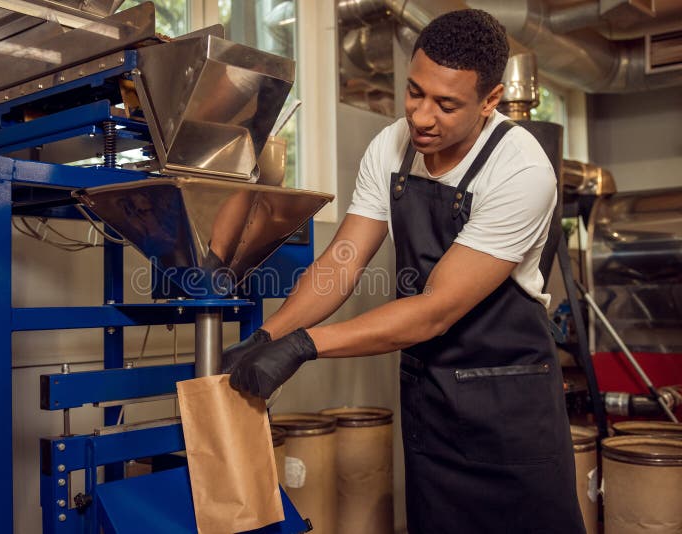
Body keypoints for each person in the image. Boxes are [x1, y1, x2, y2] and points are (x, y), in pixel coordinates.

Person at [223, 9, 585, 533]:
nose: (420, 116)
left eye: (446, 104)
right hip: (431, 407)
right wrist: (267, 334)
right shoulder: (392, 147)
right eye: (414, 92)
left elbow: (435, 310)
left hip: (510, 414)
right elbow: (341, 264)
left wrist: (304, 346)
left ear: (491, 101)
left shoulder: (521, 169)